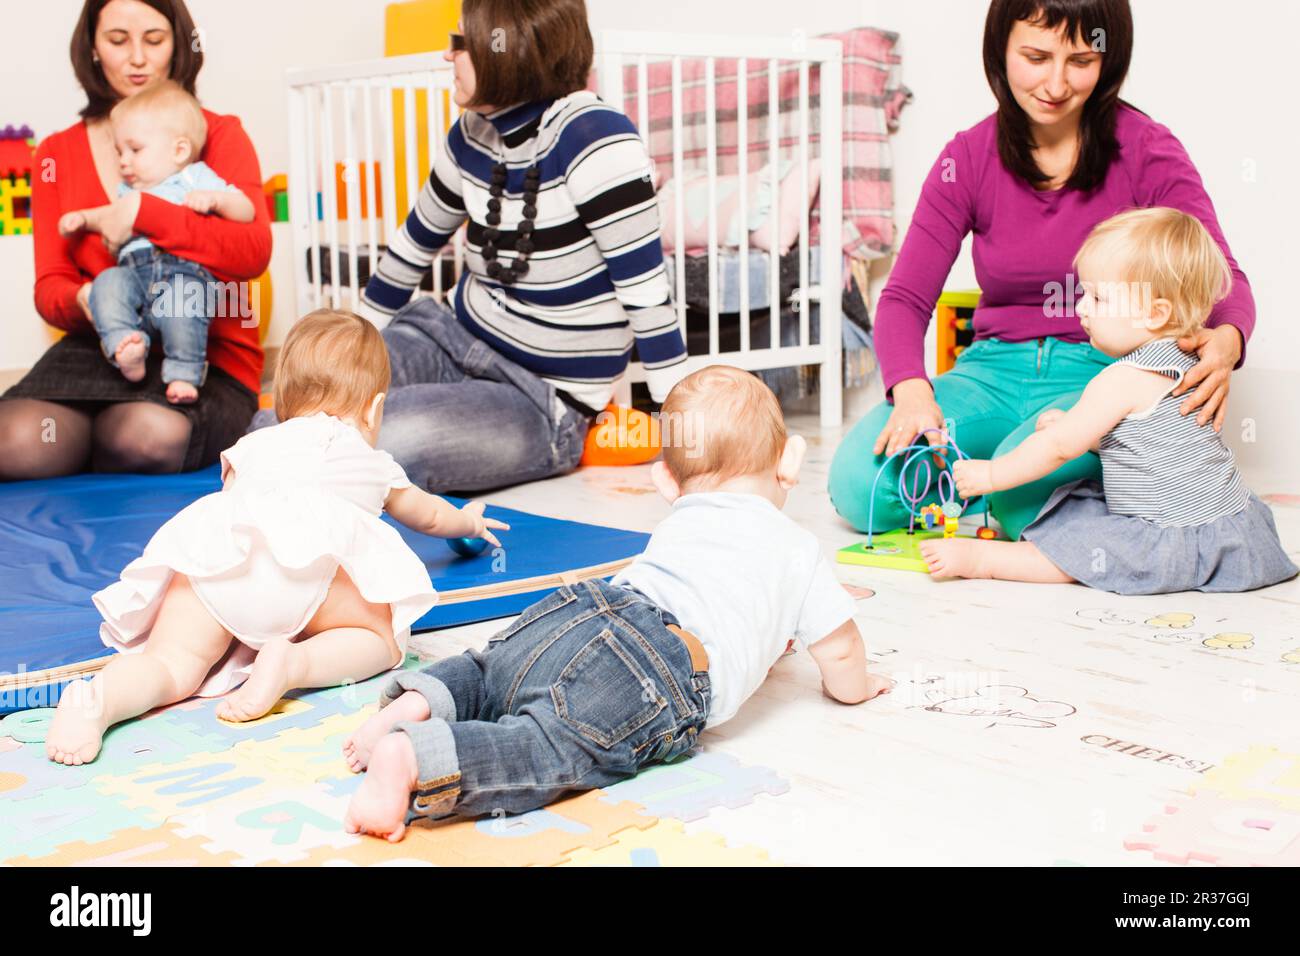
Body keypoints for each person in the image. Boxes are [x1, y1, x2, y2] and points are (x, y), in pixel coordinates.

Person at [340, 366, 890, 840]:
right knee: (545, 747)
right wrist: (859, 688)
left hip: (585, 603)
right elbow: (840, 653)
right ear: (788, 465)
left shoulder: (682, 518)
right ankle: (413, 759)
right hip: (652, 665)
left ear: (667, 483)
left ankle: (411, 705)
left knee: (492, 673)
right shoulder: (796, 547)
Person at [828, 0, 1255, 542]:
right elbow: (905, 298)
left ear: (1109, 59)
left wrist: (1228, 339)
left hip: (1102, 374)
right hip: (987, 373)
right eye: (1035, 55)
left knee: (1019, 496)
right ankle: (1009, 478)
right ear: (1001, 49)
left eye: (1080, 61)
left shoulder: (1148, 149)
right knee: (862, 484)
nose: (1056, 83)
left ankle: (1044, 483)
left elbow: (1223, 277)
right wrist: (912, 391)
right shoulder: (967, 157)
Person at [250, 0, 687, 494]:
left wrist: (683, 436)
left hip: (538, 397)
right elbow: (411, 248)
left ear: (511, 50)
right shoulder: (469, 136)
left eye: (460, 43)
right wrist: (350, 354)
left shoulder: (595, 138)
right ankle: (265, 499)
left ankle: (274, 492)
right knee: (295, 413)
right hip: (446, 337)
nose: (445, 55)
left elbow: (647, 294)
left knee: (369, 442)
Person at [45, 310, 508, 766]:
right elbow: (428, 516)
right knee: (381, 638)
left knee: (170, 664)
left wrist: (249, 611)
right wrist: (468, 521)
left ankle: (97, 702)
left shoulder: (253, 444)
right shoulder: (372, 461)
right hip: (306, 585)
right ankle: (293, 665)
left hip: (218, 566)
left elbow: (237, 510)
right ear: (374, 409)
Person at [921, 208, 1296, 594]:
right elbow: (1154, 442)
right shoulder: (1192, 361)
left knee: (1079, 543)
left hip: (1168, 539)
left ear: (1155, 312)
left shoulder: (1121, 378)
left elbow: (1058, 448)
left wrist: (992, 475)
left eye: (1098, 298)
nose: (1081, 307)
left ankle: (984, 561)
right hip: (1230, 530)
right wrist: (1080, 432)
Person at [0, 0, 270, 478]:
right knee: (19, 439)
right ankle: (81, 434)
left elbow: (252, 253)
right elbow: (50, 286)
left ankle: (90, 437)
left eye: (155, 39)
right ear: (93, 49)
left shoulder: (219, 134)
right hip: (105, 345)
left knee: (143, 434)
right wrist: (89, 300)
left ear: (179, 44)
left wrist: (143, 212)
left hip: (203, 355)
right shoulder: (56, 154)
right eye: (118, 40)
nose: (138, 58)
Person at [60, 80, 255, 405]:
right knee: (106, 283)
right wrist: (83, 218)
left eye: (134, 150)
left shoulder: (195, 176)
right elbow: (109, 216)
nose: (123, 161)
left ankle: (184, 372)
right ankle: (126, 345)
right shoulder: (128, 191)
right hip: (134, 274)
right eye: (119, 152)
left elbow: (246, 210)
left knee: (184, 304)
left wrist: (216, 200)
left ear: (179, 150)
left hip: (182, 273)